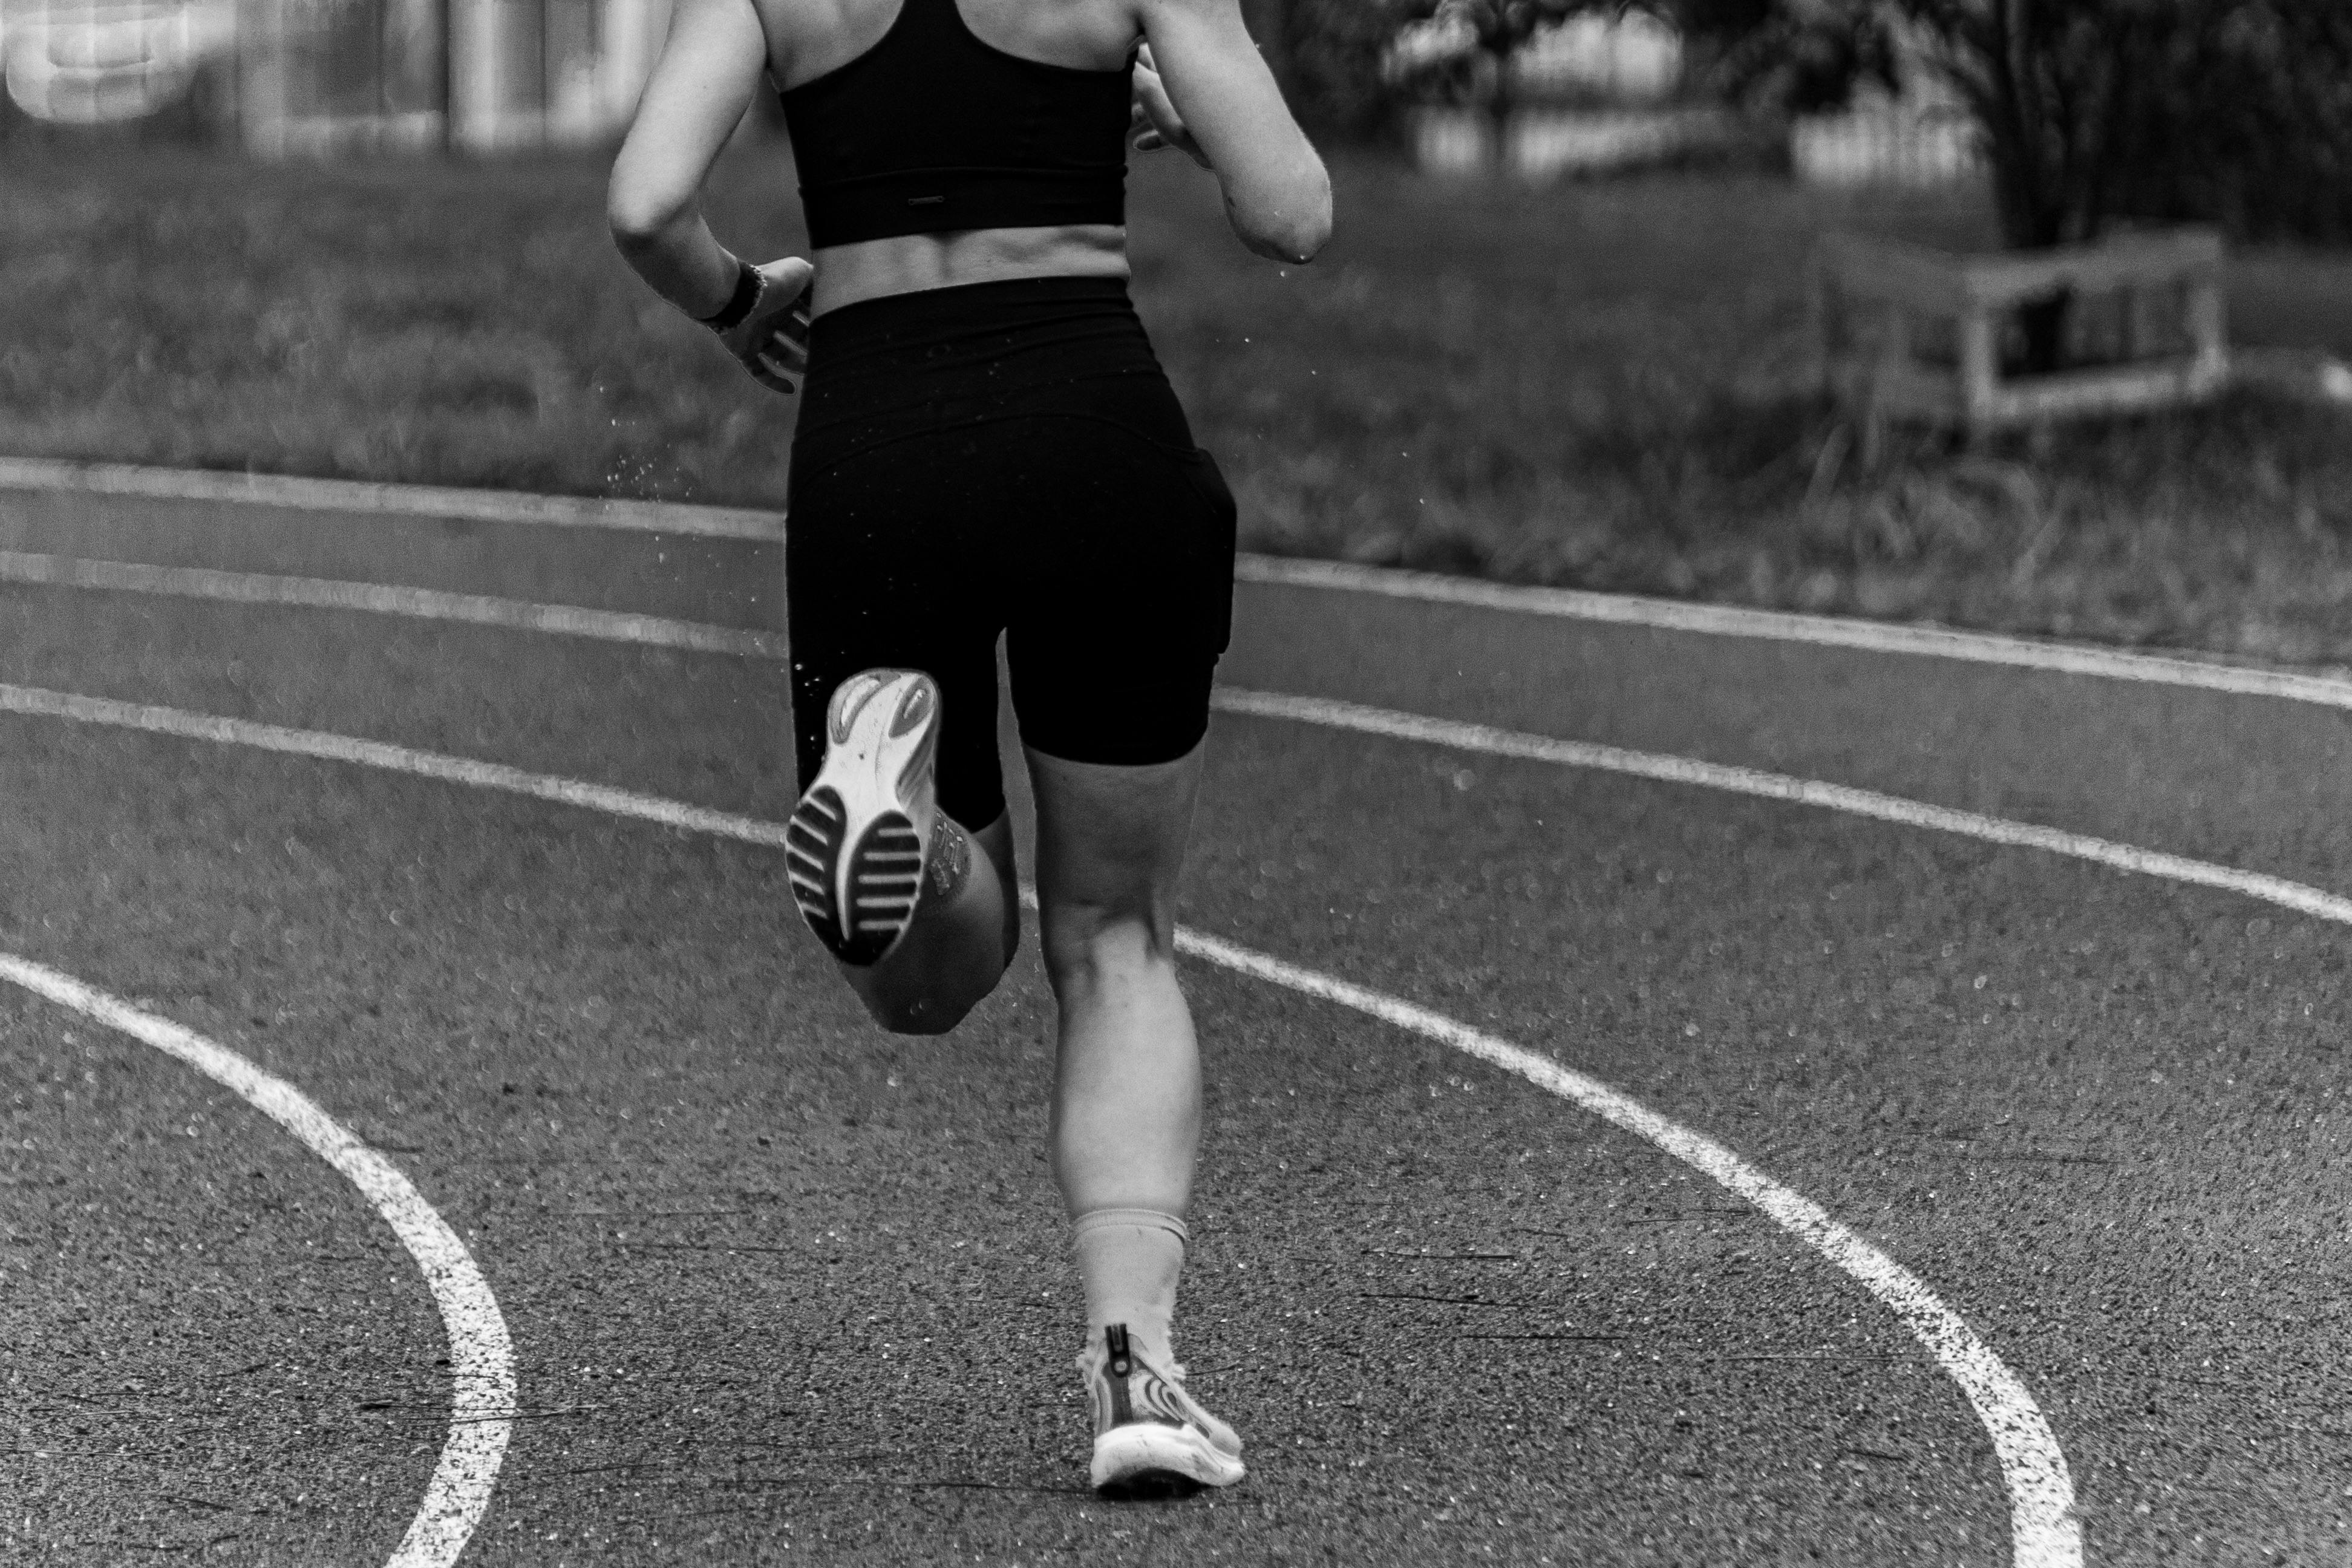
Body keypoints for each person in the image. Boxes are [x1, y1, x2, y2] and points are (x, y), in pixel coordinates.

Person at [606, 0, 1330, 1500]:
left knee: (930, 985)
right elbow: (1293, 214)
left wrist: (742, 301)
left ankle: (909, 826)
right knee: (1118, 940)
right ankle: (1136, 1367)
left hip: (879, 451)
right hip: (1095, 433)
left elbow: (645, 206)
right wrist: (1190, 116)